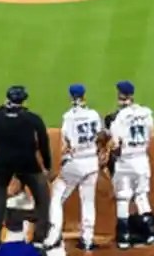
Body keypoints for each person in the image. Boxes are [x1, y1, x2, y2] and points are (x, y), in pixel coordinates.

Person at [0, 85, 52, 250]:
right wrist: (47, 166)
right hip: (28, 164)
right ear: (23, 99)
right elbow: (43, 143)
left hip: (2, 165)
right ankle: (40, 236)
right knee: (42, 198)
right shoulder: (33, 118)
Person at [44, 84, 104, 251]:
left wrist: (60, 165)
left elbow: (66, 145)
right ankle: (87, 239)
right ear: (84, 96)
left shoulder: (68, 117)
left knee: (56, 196)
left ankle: (53, 237)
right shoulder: (94, 114)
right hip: (92, 162)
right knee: (88, 200)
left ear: (71, 97)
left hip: (76, 163)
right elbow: (100, 136)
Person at [106, 81, 154, 249]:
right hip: (142, 160)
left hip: (125, 163)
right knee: (142, 195)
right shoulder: (146, 112)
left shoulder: (118, 117)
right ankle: (150, 233)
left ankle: (123, 237)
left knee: (123, 197)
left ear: (119, 95)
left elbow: (115, 143)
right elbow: (152, 135)